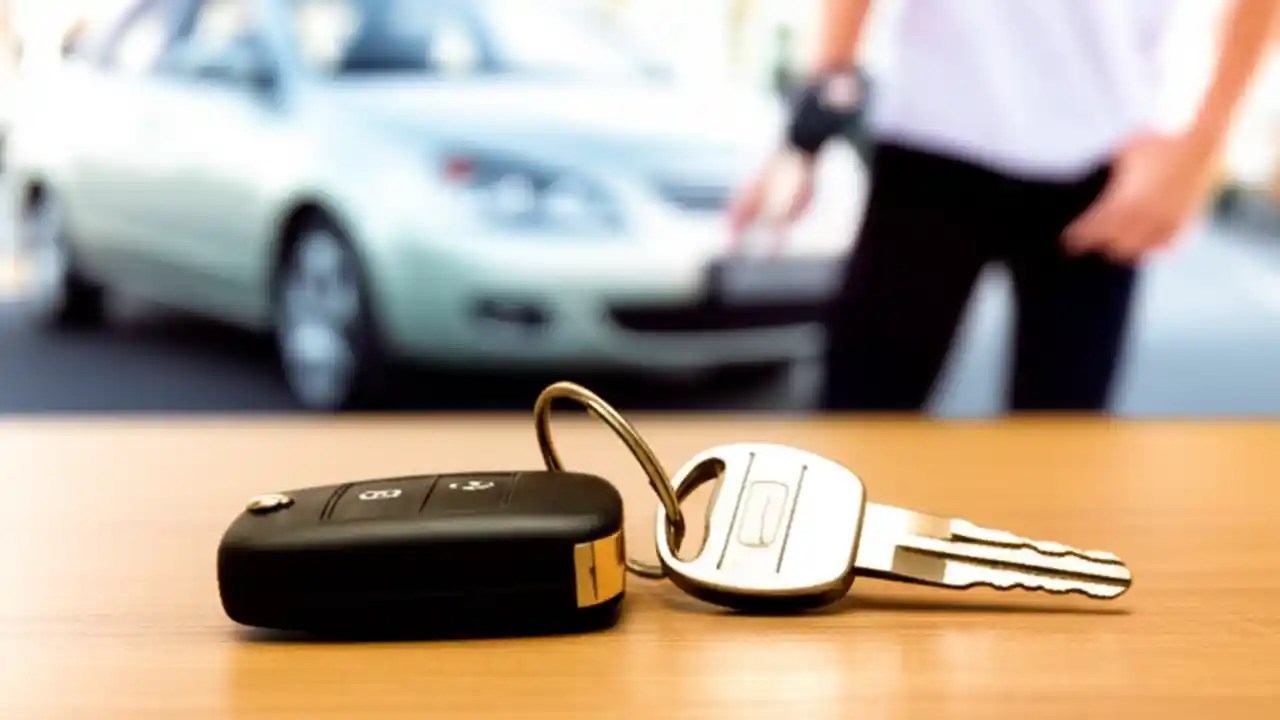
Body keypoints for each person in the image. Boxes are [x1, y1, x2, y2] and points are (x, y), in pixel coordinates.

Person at [730, 0, 1280, 412]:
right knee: (861, 426)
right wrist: (810, 129)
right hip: (929, 144)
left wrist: (1198, 152)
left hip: (1102, 164)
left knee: (1060, 459)